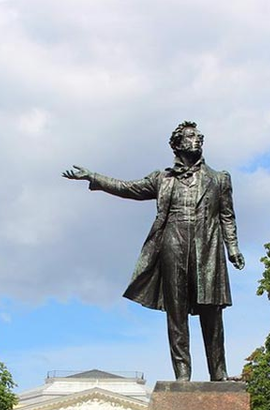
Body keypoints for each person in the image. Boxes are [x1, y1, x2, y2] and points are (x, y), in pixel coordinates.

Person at [65, 121, 245, 381]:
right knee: (176, 312)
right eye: (191, 136)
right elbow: (128, 188)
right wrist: (94, 177)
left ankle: (219, 374)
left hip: (208, 247)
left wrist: (233, 248)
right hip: (173, 243)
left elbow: (227, 216)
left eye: (199, 136)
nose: (198, 139)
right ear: (177, 143)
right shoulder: (162, 179)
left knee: (212, 312)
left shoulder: (219, 179)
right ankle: (182, 376)